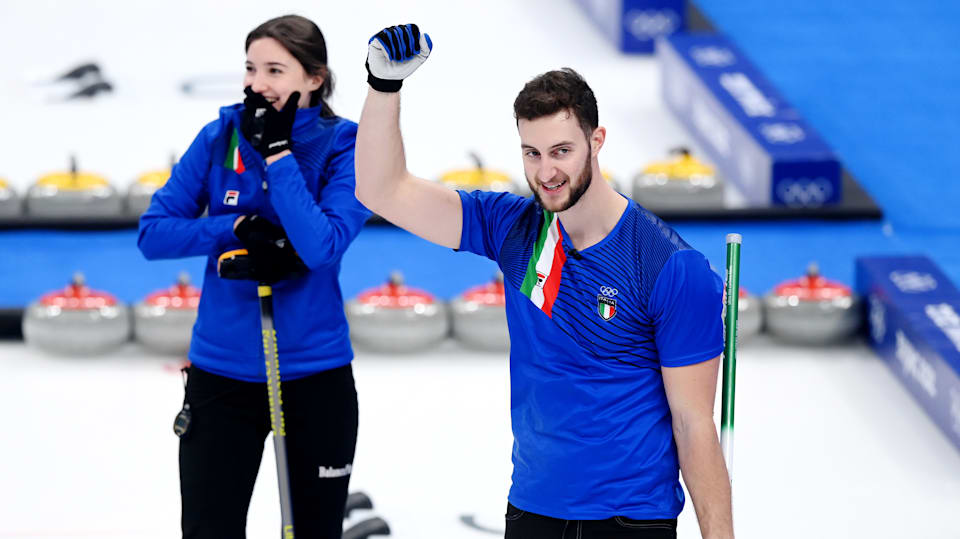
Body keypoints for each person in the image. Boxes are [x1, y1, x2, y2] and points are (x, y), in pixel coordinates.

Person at [356, 25, 734, 539]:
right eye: (531, 153)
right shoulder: (512, 227)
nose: (546, 171)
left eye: (561, 151)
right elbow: (381, 192)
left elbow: (694, 425)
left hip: (631, 520)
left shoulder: (669, 265)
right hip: (532, 511)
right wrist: (383, 87)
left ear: (596, 142)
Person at [138, 15, 370, 539]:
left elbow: (322, 246)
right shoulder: (221, 136)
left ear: (315, 78)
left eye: (274, 70)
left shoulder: (344, 145)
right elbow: (154, 234)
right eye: (250, 69)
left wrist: (278, 156)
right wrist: (234, 227)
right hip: (222, 373)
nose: (257, 84)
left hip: (314, 374)